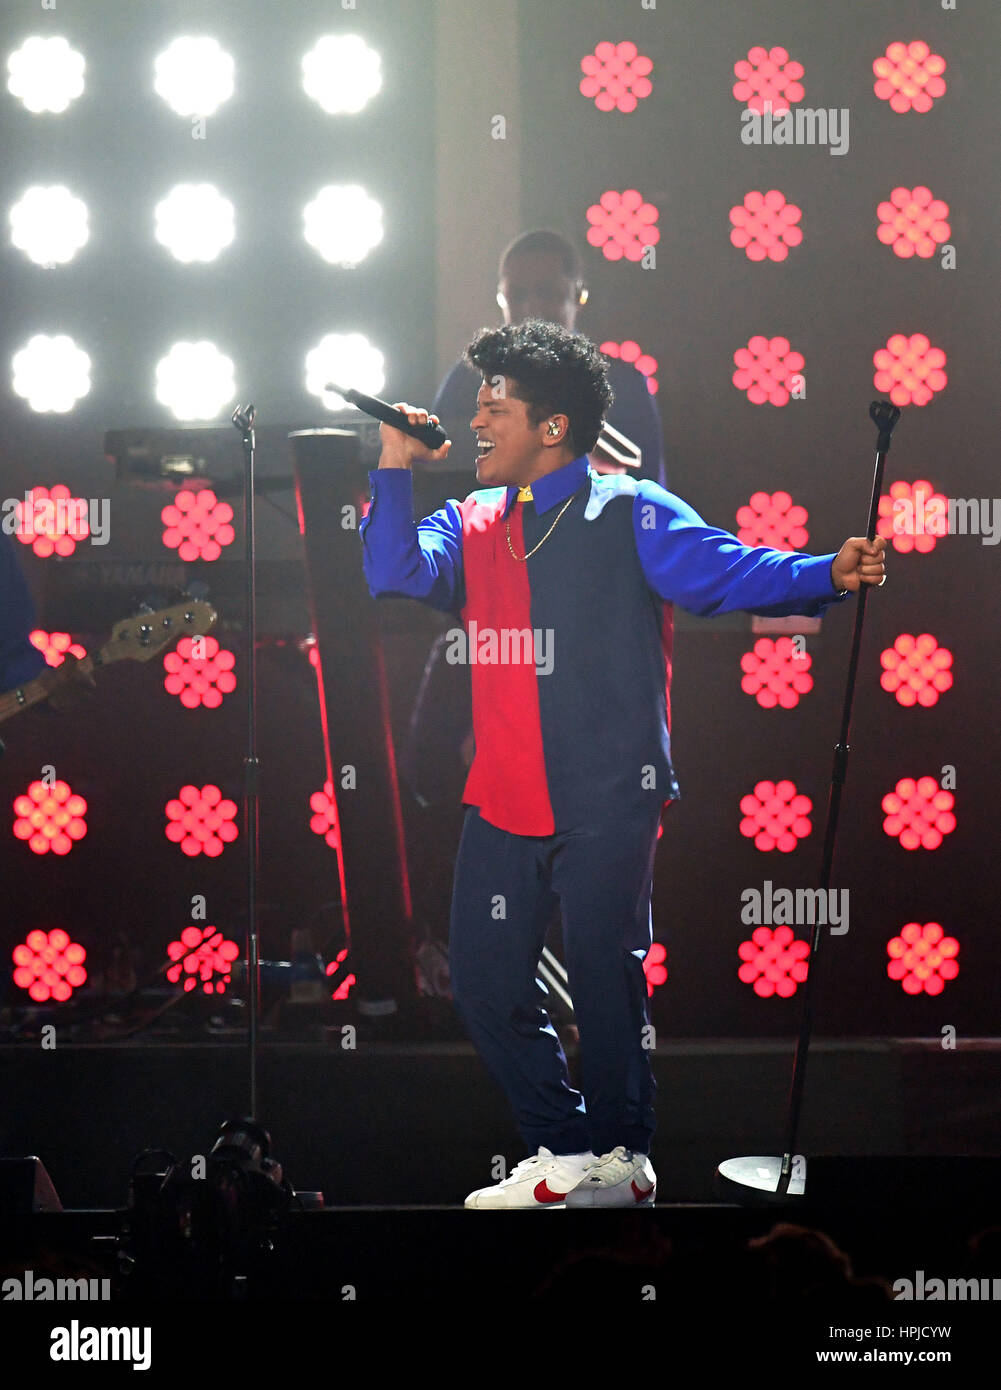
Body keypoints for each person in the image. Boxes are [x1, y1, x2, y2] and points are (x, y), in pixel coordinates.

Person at [360, 319, 886, 1209]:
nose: (476, 422)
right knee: (485, 988)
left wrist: (826, 571)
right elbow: (392, 573)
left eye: (495, 407)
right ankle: (567, 1154)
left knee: (607, 980)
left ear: (552, 426)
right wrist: (393, 462)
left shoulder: (629, 508)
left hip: (610, 793)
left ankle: (622, 1157)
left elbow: (725, 572)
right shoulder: (472, 519)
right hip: (499, 799)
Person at [432, 228, 666, 486]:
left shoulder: (625, 383)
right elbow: (437, 467)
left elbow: (648, 489)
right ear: (502, 298)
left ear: (579, 295)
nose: (531, 307)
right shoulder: (466, 380)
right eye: (518, 295)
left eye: (546, 292)